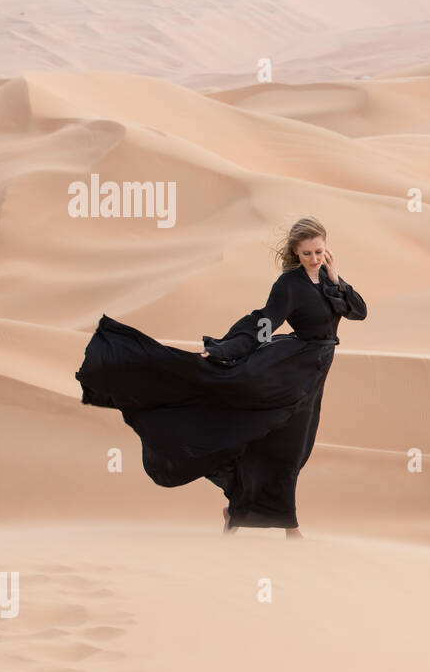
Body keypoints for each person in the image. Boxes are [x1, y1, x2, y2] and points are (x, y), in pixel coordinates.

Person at [74, 217, 367, 538]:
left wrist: (335, 277)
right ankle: (290, 529)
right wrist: (226, 349)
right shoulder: (289, 286)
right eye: (307, 253)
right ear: (295, 254)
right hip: (290, 371)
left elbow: (358, 311)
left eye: (319, 252)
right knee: (288, 448)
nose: (313, 258)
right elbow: (264, 322)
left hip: (314, 374)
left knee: (295, 449)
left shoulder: (329, 279)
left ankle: (237, 512)